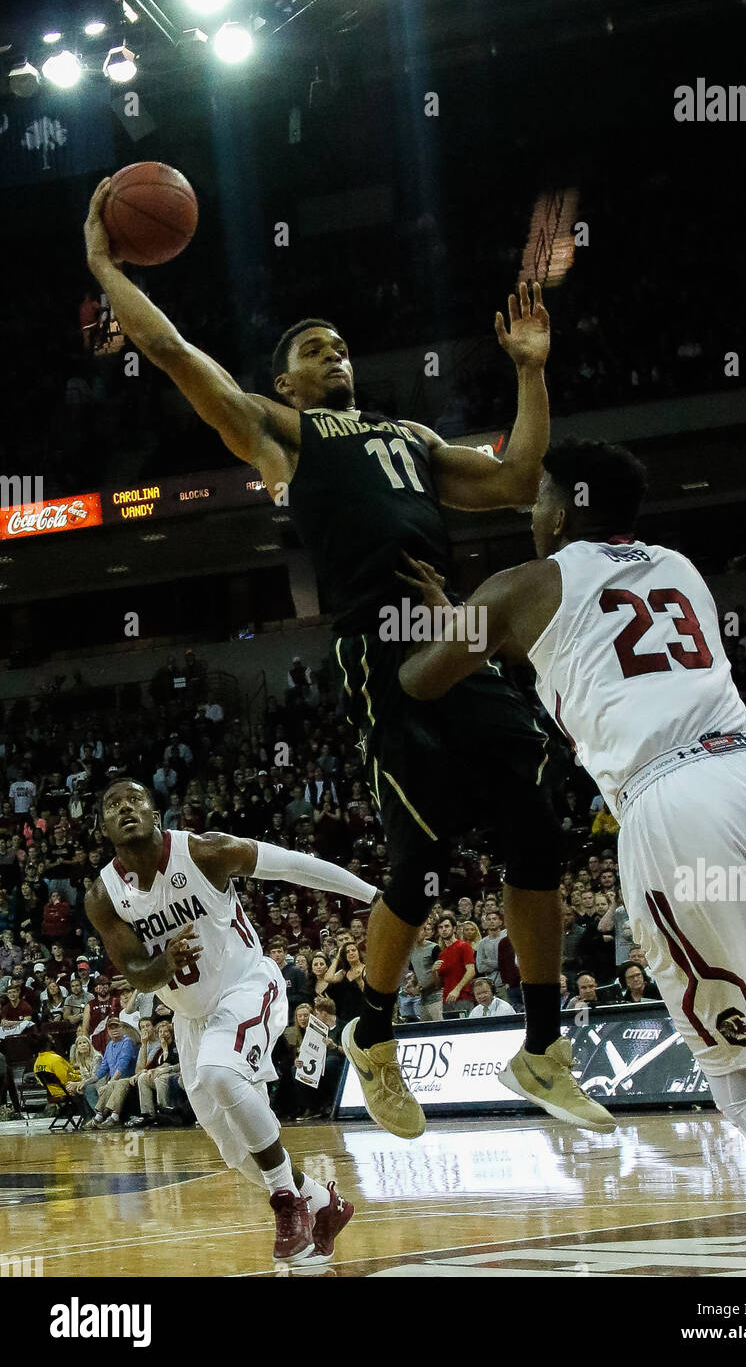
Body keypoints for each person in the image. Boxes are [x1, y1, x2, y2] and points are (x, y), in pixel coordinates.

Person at [84, 185, 593, 1142]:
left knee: (535, 819)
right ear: (286, 383)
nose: (337, 355)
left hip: (452, 634)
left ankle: (543, 1043)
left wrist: (531, 373)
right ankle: (373, 1032)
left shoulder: (413, 437)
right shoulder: (285, 435)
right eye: (315, 350)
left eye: (342, 346)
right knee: (423, 853)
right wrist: (110, 270)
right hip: (377, 643)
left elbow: (520, 479)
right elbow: (172, 353)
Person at [398, 433, 746, 1244]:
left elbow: (421, 679)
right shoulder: (678, 566)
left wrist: (456, 614)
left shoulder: (522, 583)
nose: (532, 512)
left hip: (681, 806)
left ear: (568, 504)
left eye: (539, 496)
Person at [85, 776, 373, 1266]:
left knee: (221, 1074)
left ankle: (287, 1202)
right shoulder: (103, 895)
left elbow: (293, 866)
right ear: (102, 828)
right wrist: (162, 966)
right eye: (114, 805)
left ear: (157, 814)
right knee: (239, 1154)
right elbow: (132, 968)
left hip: (247, 986)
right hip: (191, 1019)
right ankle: (323, 1203)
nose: (126, 807)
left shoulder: (204, 852)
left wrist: (372, 893)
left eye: (137, 799)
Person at [432, 913, 476, 1018]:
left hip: (463, 997)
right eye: (441, 927)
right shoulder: (441, 954)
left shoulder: (463, 946)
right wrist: (434, 971)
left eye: (447, 926)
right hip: (446, 1001)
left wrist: (457, 989)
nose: (444, 929)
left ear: (454, 928)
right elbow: (438, 985)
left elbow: (471, 971)